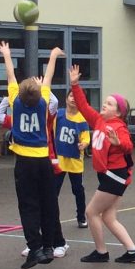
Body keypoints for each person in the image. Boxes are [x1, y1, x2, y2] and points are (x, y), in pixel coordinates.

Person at [0, 41, 66, 269]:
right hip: (43, 161)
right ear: (38, 93)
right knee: (48, 203)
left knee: (28, 206)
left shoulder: (16, 102)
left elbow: (10, 76)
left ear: (20, 92)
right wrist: (53, 55)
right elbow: (48, 77)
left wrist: (6, 54)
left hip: (24, 163)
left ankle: (34, 248)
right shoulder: (44, 102)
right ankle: (48, 247)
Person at [69, 64, 135, 263]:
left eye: (109, 104)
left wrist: (120, 143)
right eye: (105, 102)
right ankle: (132, 251)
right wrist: (75, 84)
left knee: (91, 212)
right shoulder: (100, 121)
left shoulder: (118, 126)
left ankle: (101, 252)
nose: (104, 105)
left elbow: (128, 145)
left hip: (115, 175)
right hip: (111, 176)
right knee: (108, 217)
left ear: (118, 112)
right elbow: (83, 106)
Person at [55, 89, 91, 229]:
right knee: (54, 190)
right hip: (59, 159)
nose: (73, 98)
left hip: (75, 160)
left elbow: (85, 138)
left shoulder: (82, 119)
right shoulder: (59, 114)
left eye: (76, 97)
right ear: (66, 98)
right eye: (71, 95)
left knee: (78, 190)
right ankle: (51, 217)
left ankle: (81, 217)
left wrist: (84, 144)